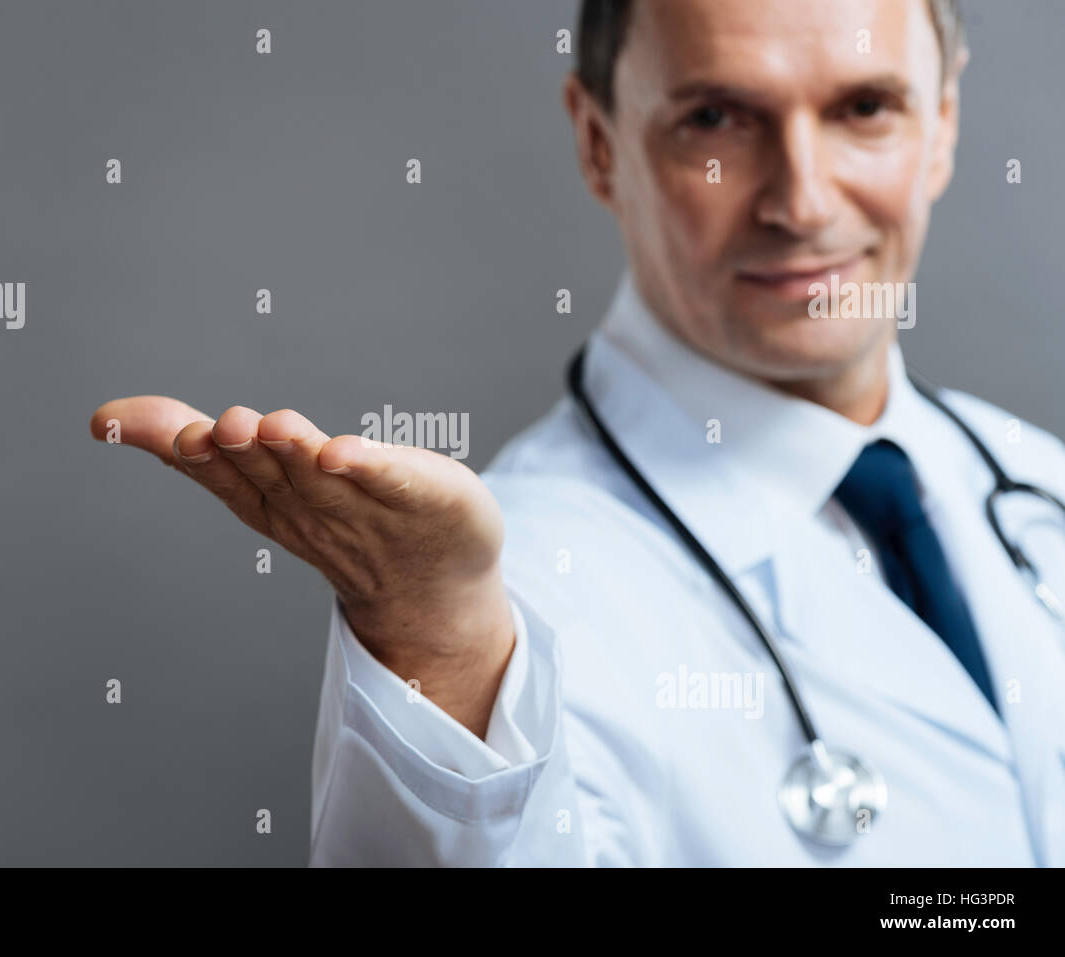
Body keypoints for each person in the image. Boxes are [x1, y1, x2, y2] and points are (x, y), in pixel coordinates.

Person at [89, 0, 1065, 865]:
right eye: (715, 121)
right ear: (598, 143)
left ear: (939, 126)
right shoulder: (519, 605)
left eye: (863, 108)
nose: (801, 202)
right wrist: (442, 648)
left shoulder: (1039, 483)